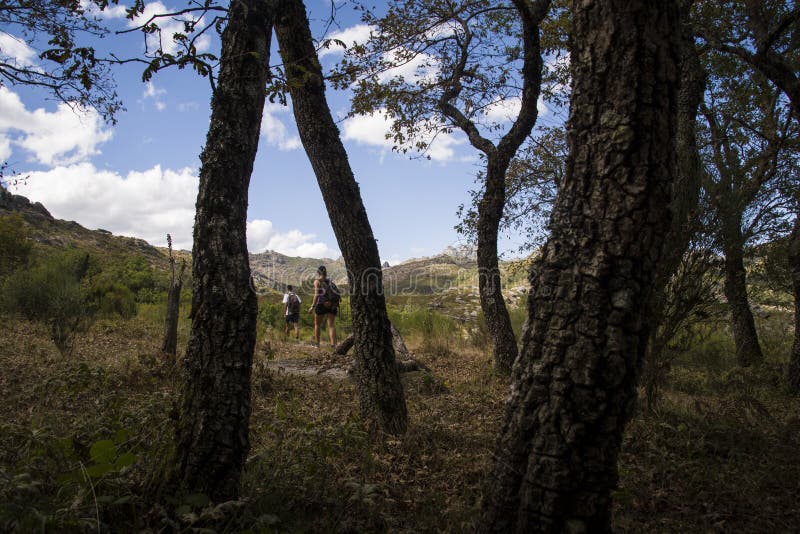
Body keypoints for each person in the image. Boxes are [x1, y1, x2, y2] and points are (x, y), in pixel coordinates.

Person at [309, 265, 337, 349]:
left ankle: (317, 344)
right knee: (331, 326)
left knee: (317, 324)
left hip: (321, 304)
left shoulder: (317, 281)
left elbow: (316, 294)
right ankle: (333, 345)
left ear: (318, 272)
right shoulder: (330, 281)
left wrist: (312, 306)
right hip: (331, 304)